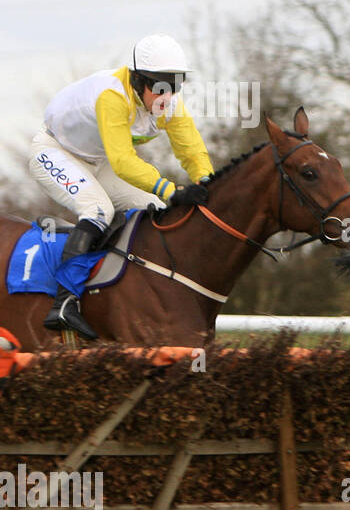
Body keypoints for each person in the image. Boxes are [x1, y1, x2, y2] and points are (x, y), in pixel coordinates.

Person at [29, 33, 215, 339]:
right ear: (138, 80)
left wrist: (206, 181)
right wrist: (172, 190)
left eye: (175, 85)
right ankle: (65, 302)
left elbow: (191, 149)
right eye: (159, 87)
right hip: (54, 152)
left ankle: (126, 290)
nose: (167, 96)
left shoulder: (170, 105)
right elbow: (123, 162)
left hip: (97, 161)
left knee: (152, 209)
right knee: (98, 210)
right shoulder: (112, 97)